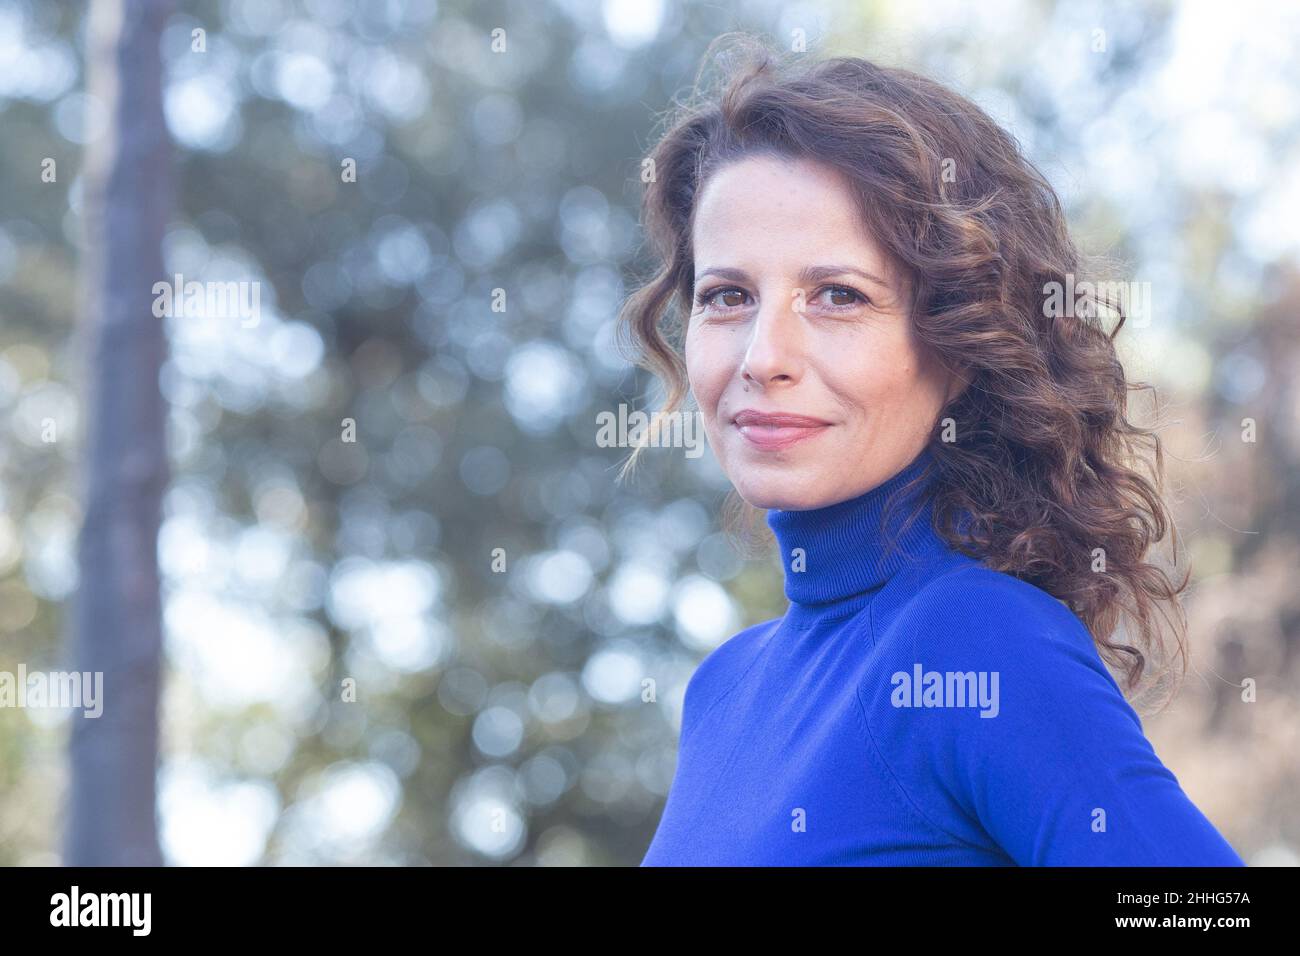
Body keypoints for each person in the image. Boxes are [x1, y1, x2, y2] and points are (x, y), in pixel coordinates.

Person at [619, 36, 1244, 866]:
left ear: (957, 345)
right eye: (727, 296)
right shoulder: (722, 691)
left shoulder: (980, 641)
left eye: (838, 296)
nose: (762, 354)